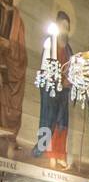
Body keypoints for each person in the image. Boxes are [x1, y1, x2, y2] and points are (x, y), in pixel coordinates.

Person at [32, 10, 72, 169]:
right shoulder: (50, 43)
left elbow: (71, 70)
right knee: (48, 120)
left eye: (67, 27)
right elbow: (45, 67)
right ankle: (44, 151)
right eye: (63, 25)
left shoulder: (69, 50)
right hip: (50, 90)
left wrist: (68, 80)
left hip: (64, 92)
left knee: (62, 124)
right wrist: (53, 78)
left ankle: (58, 154)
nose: (65, 29)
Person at [0, 0, 26, 154]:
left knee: (9, 101)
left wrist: (10, 45)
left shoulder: (17, 18)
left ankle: (8, 136)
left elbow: (22, 50)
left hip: (9, 64)